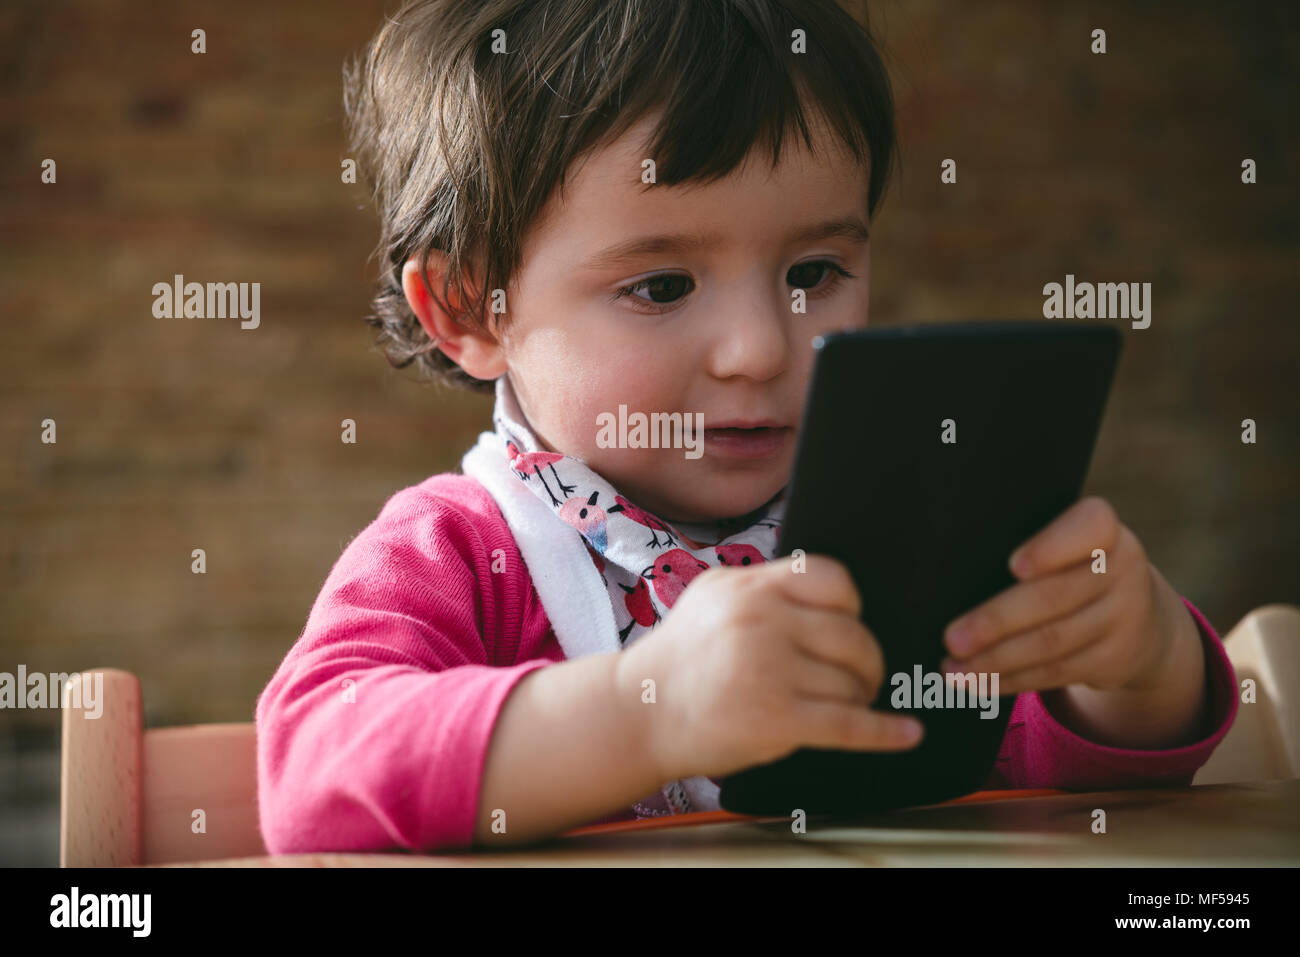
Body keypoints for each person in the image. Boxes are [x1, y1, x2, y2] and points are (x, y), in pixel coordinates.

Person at [255, 0, 1237, 854]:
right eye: (660, 285)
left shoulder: (905, 525)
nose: (759, 351)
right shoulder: (458, 553)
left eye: (811, 273)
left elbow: (1039, 773)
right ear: (471, 308)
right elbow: (311, 769)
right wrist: (653, 712)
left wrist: (1137, 668)